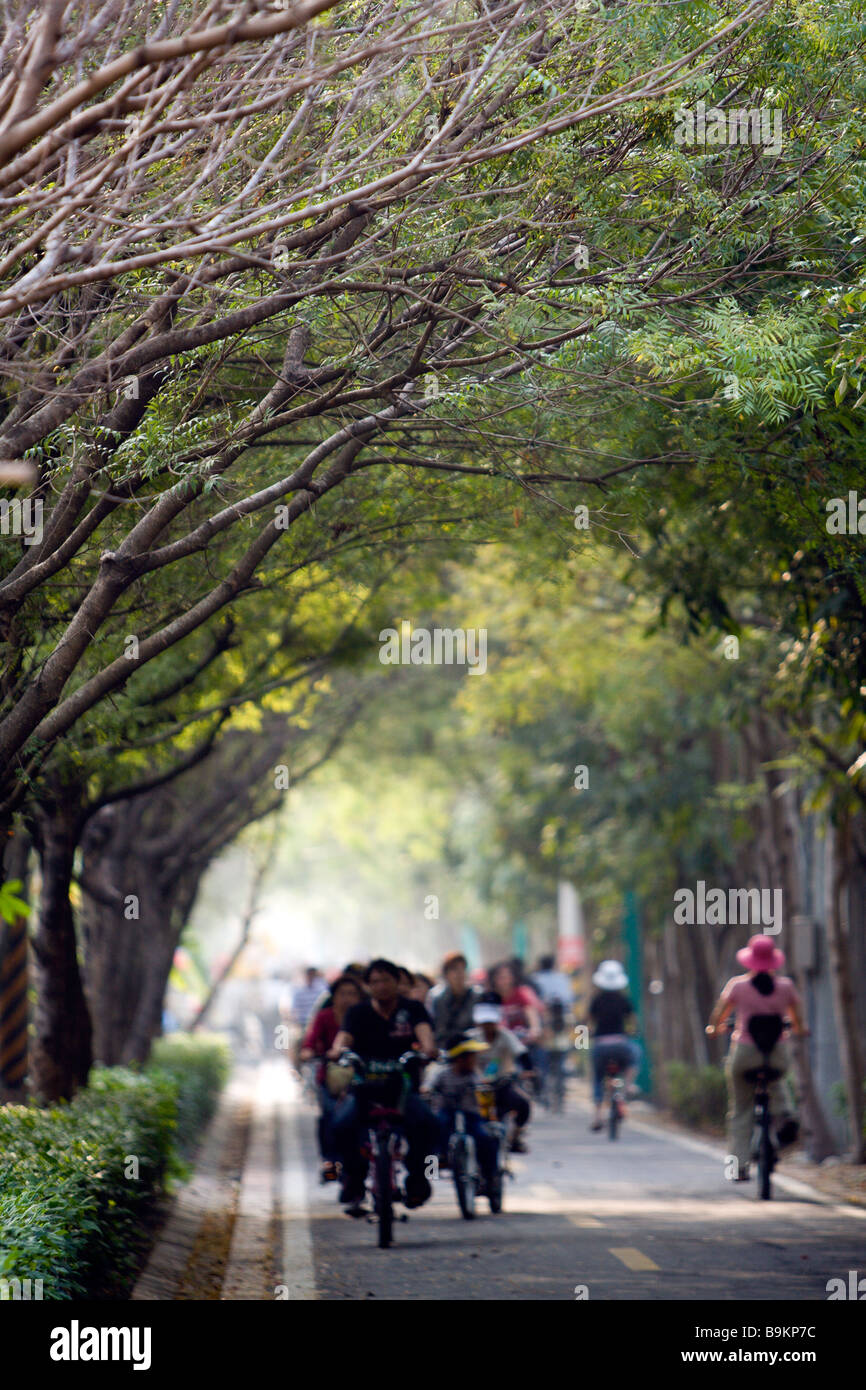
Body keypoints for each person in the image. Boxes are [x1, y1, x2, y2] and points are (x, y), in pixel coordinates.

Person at [328, 958, 439, 1209]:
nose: (381, 986)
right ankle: (354, 1180)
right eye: (374, 981)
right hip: (365, 1090)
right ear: (367, 986)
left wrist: (429, 1049)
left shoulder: (413, 1009)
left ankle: (417, 1181)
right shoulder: (358, 1013)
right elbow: (343, 1039)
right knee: (340, 1126)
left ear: (397, 981)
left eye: (386, 980)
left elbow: (425, 1034)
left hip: (403, 1090)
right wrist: (337, 1051)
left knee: (428, 1125)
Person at [705, 935, 807, 1180]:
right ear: (773, 961)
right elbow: (798, 1020)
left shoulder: (738, 986)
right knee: (778, 1077)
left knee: (741, 1110)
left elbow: (719, 1015)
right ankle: (786, 1114)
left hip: (744, 1053)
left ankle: (738, 1167)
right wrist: (800, 1030)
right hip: (776, 1053)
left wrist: (714, 1028)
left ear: (750, 960)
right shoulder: (785, 987)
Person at [299, 974, 363, 1182]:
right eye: (342, 994)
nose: (347, 998)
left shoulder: (363, 1016)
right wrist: (309, 1052)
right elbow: (310, 1043)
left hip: (360, 1076)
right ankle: (329, 1161)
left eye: (352, 994)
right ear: (333, 997)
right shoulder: (324, 1017)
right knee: (329, 1116)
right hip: (329, 1077)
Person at [429, 1032, 500, 1190]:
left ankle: (490, 1175)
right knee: (433, 1134)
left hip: (471, 1115)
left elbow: (484, 1092)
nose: (474, 1060)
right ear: (460, 1058)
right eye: (471, 1056)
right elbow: (430, 1088)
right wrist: (426, 1091)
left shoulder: (474, 1075)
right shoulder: (443, 1075)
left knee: (485, 1138)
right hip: (447, 1113)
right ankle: (430, 1170)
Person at [472, 998, 533, 1153]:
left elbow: (520, 1052)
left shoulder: (506, 1036)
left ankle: (515, 1138)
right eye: (485, 1023)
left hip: (502, 1084)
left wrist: (528, 1068)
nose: (488, 1027)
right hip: (477, 1087)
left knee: (523, 1104)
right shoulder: (472, 1038)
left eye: (491, 1023)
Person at [587, 960, 641, 1132]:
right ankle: (628, 1086)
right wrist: (632, 1032)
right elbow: (633, 1022)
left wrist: (586, 1036)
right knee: (636, 1054)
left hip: (600, 1046)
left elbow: (587, 1024)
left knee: (597, 1077)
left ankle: (597, 1116)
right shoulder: (624, 1000)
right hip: (621, 1045)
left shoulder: (596, 1001)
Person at [429, 951, 483, 1046]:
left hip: (473, 1045)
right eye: (454, 969)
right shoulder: (437, 997)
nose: (459, 973)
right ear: (446, 974)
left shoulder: (477, 995)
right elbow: (438, 1029)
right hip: (446, 1046)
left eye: (462, 968)